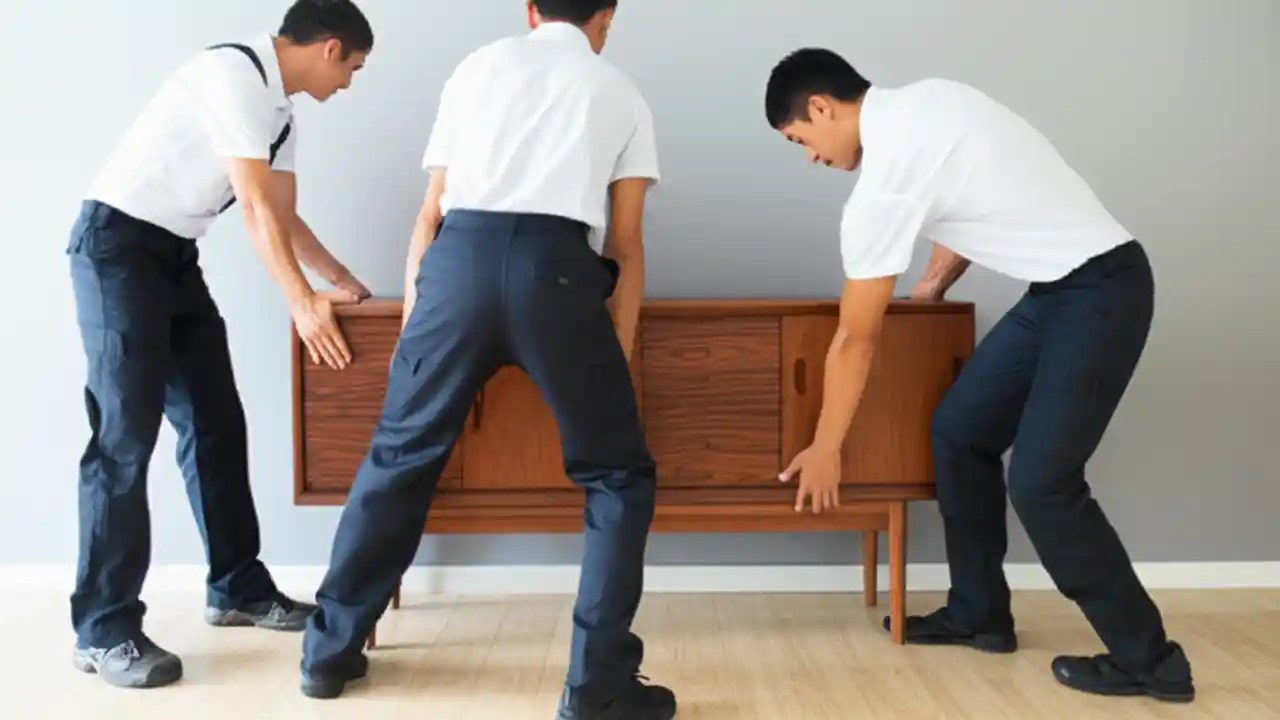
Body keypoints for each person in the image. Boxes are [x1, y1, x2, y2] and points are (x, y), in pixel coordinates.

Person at [764, 48, 1196, 703]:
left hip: (1100, 291)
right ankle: (979, 612)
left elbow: (856, 337)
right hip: (1060, 291)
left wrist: (827, 447)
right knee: (961, 429)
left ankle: (1151, 660)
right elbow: (978, 197)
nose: (811, 158)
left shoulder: (883, 185)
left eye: (801, 139)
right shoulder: (936, 99)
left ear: (822, 107)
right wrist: (933, 285)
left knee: (1043, 482)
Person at [300, 1, 676, 717]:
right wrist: (617, 357)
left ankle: (327, 655)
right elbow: (625, 245)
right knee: (617, 475)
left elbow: (431, 213)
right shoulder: (620, 91)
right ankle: (595, 689)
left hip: (457, 265)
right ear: (609, 15)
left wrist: (417, 333)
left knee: (400, 456)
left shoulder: (477, 68)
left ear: (531, 10)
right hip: (557, 273)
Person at [66, 0, 374, 690]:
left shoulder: (282, 112)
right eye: (353, 67)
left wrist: (342, 283)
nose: (350, 83)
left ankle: (235, 586)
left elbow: (283, 214)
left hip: (173, 256)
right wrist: (300, 304)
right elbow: (255, 206)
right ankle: (102, 629)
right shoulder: (231, 74)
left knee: (214, 422)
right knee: (123, 440)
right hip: (116, 249)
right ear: (329, 47)